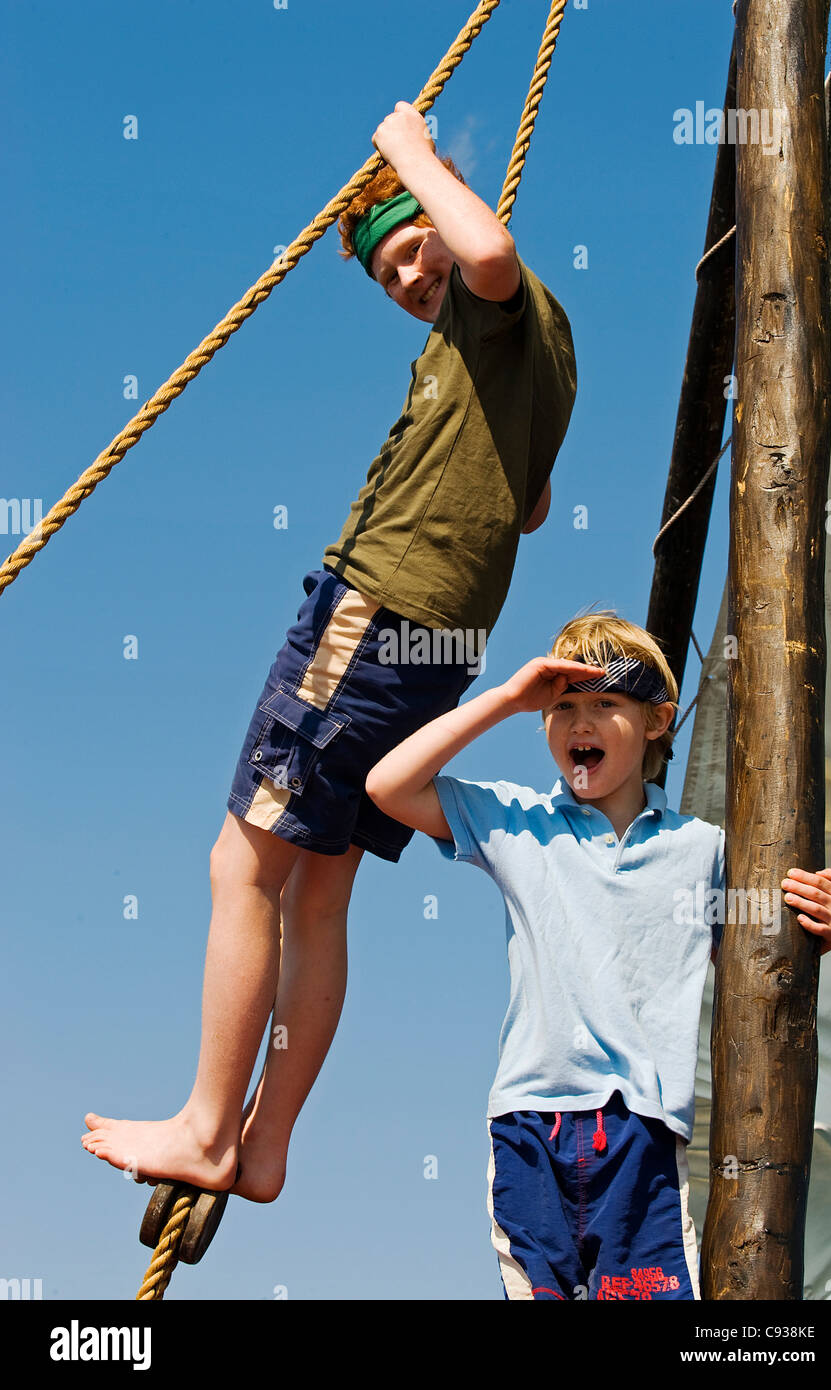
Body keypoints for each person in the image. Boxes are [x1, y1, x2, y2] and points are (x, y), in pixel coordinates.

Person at [81, 102, 578, 1203]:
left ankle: (212, 1126)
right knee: (316, 893)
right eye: (386, 276)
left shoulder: (497, 294)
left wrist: (405, 152)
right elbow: (531, 505)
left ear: (445, 212)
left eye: (410, 251)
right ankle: (264, 1146)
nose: (406, 281)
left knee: (240, 863)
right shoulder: (528, 345)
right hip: (436, 647)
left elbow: (487, 248)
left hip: (373, 617)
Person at [365, 612, 831, 1299]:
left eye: (603, 705)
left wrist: (829, 924)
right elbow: (387, 784)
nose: (578, 725)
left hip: (645, 1136)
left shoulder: (704, 849)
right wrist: (508, 697)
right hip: (530, 1123)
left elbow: (772, 946)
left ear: (657, 722)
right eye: (561, 709)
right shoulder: (517, 823)